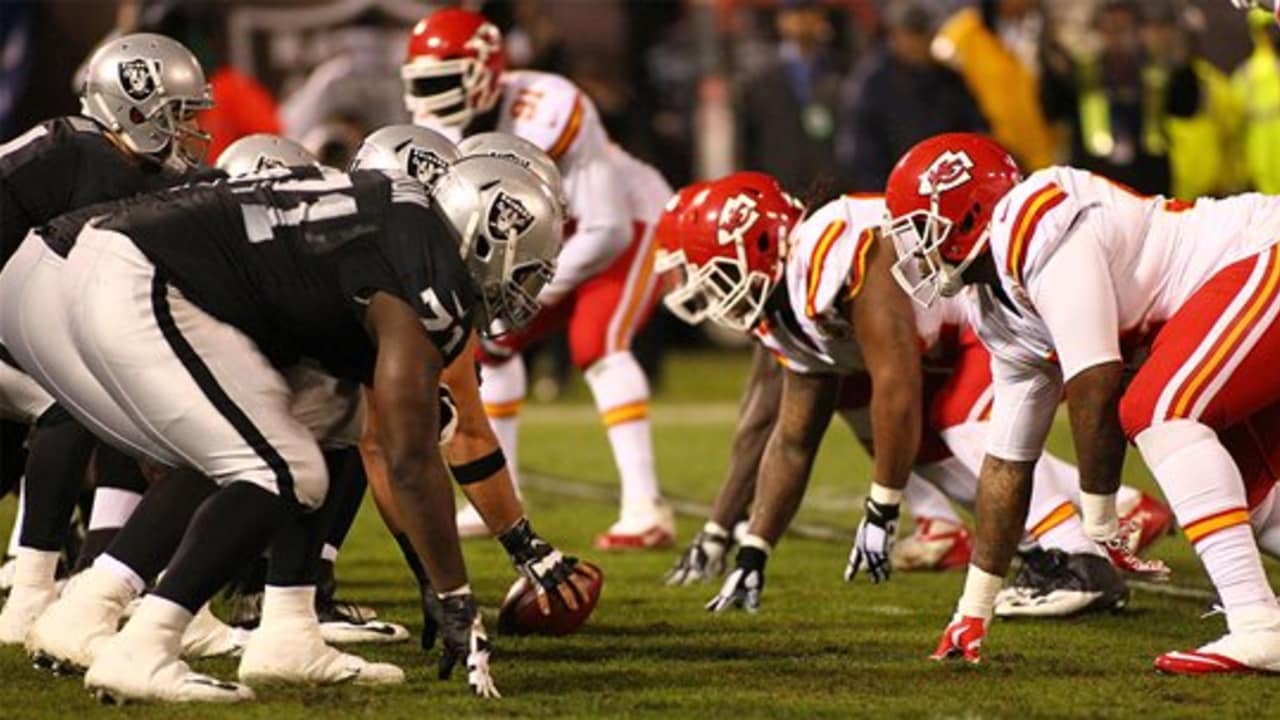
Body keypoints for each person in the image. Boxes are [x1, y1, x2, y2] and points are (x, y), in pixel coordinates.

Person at [0, 157, 560, 701]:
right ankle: (146, 644)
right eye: (528, 269)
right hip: (131, 275)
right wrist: (454, 595)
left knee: (322, 415)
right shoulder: (426, 270)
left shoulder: (393, 213)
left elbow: (357, 398)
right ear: (489, 236)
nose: (524, 288)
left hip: (90, 270)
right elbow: (409, 459)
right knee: (281, 470)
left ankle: (263, 628)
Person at [656, 174, 1164, 616]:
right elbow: (792, 441)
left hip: (990, 306)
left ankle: (1077, 560)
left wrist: (882, 506)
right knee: (915, 443)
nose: (710, 294)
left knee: (959, 425)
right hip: (953, 334)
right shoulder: (785, 313)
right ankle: (1050, 551)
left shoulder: (830, 252)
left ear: (761, 244)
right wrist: (754, 552)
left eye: (717, 275)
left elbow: (897, 380)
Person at [884, 132, 1280, 674]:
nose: (916, 252)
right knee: (1250, 493)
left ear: (970, 211)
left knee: (1159, 409)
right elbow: (1006, 465)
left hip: (1262, 251)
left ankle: (1258, 625)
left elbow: (1097, 380)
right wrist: (973, 609)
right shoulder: (996, 313)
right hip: (1228, 301)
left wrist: (1099, 516)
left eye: (920, 231)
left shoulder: (1034, 220)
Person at [402, 7, 676, 549]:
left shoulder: (549, 105)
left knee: (597, 343)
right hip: (537, 244)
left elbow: (607, 228)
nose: (433, 98)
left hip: (627, 217)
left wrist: (532, 289)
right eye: (423, 83)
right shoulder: (433, 130)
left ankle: (646, 507)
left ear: (485, 72)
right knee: (491, 347)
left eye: (445, 80)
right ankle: (496, 499)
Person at [0, 32, 212, 645]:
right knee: (72, 403)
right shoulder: (87, 159)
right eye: (179, 114)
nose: (191, 129)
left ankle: (89, 559)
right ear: (136, 108)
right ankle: (33, 590)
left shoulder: (112, 160)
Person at [1039, 0, 1199, 197]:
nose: (1118, 39)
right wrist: (1052, 60)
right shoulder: (1082, 73)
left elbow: (1187, 107)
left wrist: (1181, 57)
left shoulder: (1156, 73)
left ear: (1140, 32)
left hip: (1149, 189)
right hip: (1094, 190)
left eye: (1125, 29)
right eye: (1110, 29)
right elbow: (1052, 111)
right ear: (1097, 32)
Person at [837, 1, 986, 192]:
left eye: (924, 34)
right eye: (912, 33)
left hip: (949, 188)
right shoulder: (871, 83)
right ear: (895, 34)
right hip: (892, 194)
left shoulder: (949, 80)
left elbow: (976, 131)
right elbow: (860, 152)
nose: (919, 42)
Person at [734, 0, 846, 192]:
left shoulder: (842, 70)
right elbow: (747, 140)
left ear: (821, 19)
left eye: (809, 12)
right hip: (778, 185)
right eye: (795, 13)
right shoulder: (759, 78)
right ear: (781, 20)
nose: (802, 20)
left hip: (830, 186)